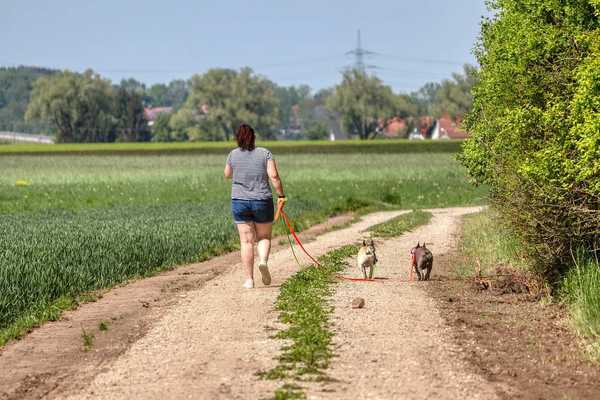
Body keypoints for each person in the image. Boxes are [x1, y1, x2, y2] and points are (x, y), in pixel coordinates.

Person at [224, 124, 286, 289]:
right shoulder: (265, 153)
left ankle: (249, 280)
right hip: (262, 201)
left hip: (239, 201)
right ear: (253, 137)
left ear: (238, 138)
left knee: (246, 241)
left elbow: (227, 174)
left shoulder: (232, 154)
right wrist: (281, 195)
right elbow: (273, 176)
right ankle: (263, 261)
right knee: (264, 237)